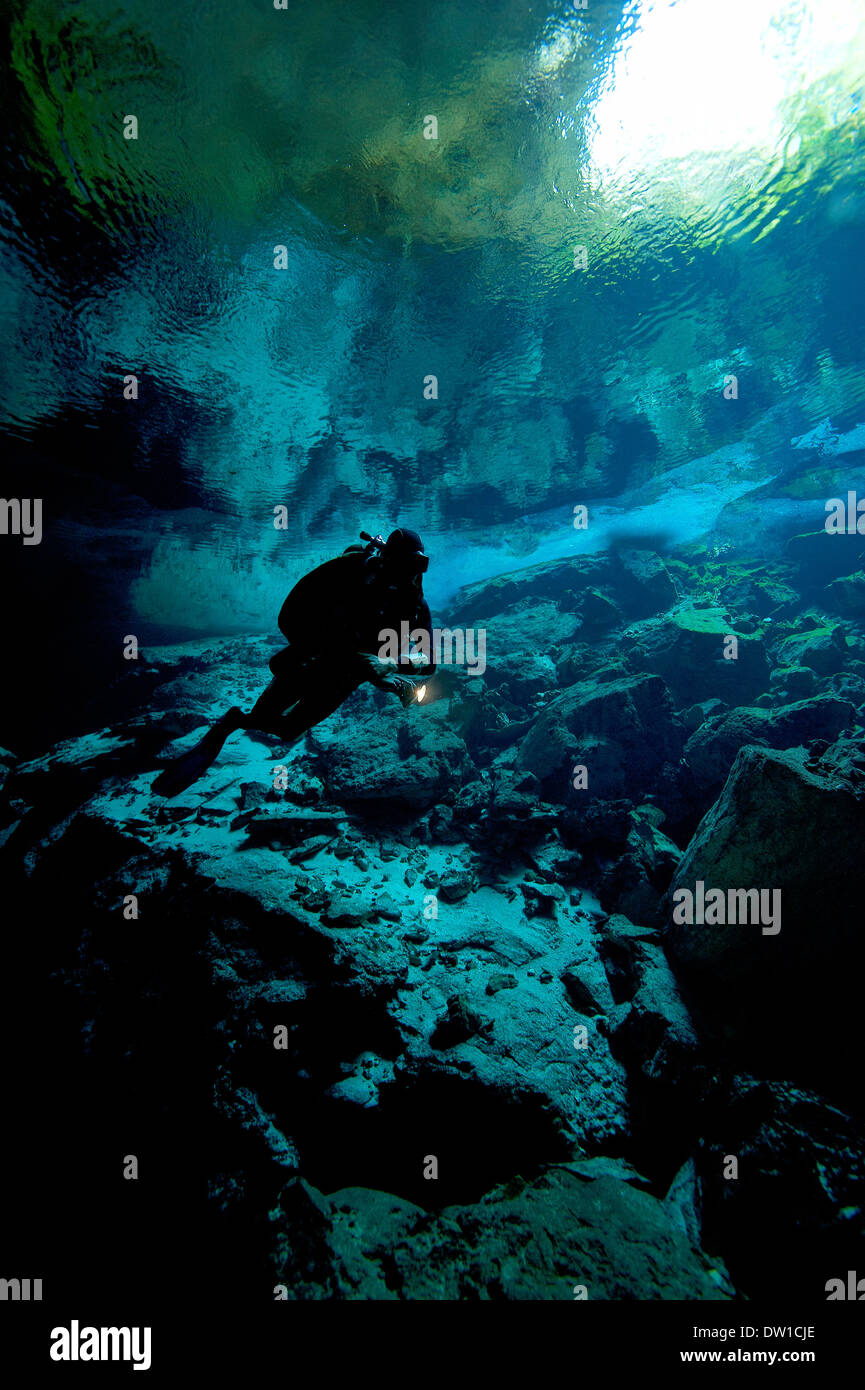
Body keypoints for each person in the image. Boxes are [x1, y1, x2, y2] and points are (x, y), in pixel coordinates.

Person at [152, 528, 436, 798]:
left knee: (287, 731)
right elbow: (288, 617)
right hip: (311, 659)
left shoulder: (414, 608)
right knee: (264, 718)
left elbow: (429, 661)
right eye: (400, 565)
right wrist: (356, 657)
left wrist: (389, 667)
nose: (406, 577)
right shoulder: (348, 572)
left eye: (415, 567)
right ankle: (232, 722)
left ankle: (237, 720)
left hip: (343, 679)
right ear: (385, 557)